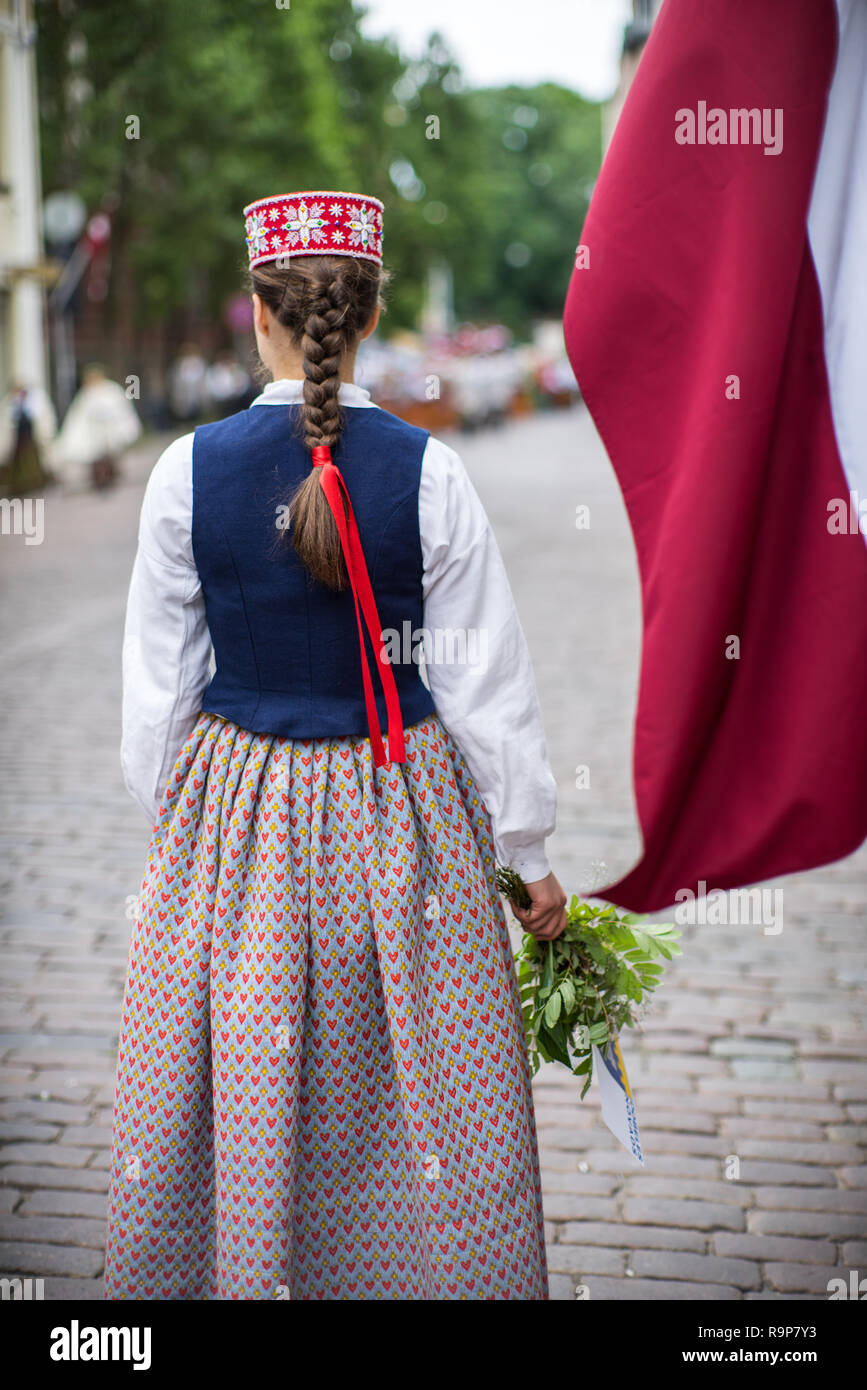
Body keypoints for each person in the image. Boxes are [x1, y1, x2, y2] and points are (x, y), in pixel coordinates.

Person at [104, 188, 565, 1302]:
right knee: (420, 1077)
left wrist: (186, 828)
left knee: (252, 1062)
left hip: (241, 815)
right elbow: (483, 679)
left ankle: (251, 1264)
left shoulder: (187, 471)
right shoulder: (433, 472)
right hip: (398, 804)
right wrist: (530, 850)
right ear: (366, 318)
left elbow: (157, 697)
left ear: (257, 312)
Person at [50, 364, 142, 492]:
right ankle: (100, 478)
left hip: (110, 432)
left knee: (110, 457)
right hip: (93, 435)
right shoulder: (86, 394)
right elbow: (78, 417)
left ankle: (111, 475)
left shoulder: (112, 391)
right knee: (98, 460)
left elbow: (121, 410)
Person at [0, 381, 57, 494]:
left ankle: (34, 483)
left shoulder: (35, 400)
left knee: (32, 461)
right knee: (19, 463)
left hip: (30, 437)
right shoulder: (10, 402)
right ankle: (20, 485)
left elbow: (41, 418)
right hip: (18, 439)